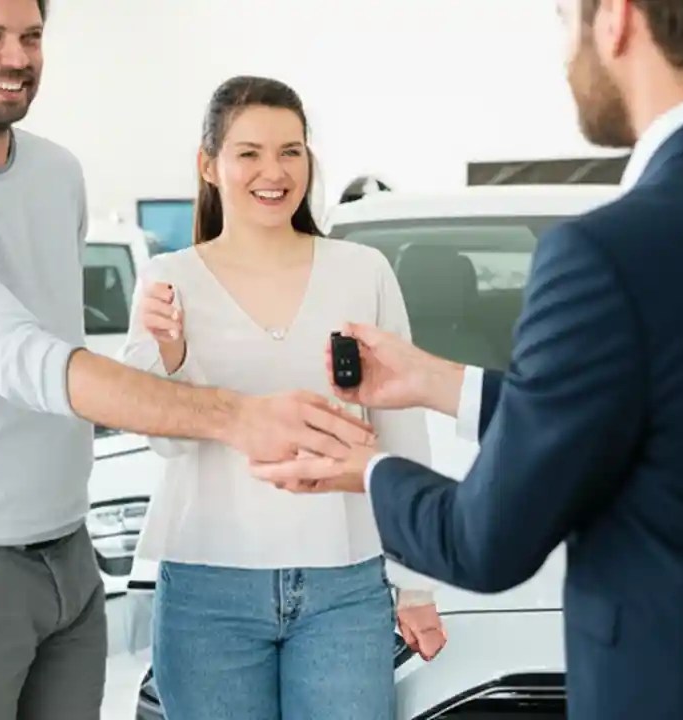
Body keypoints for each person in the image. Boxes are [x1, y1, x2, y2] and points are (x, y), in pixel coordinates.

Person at [252, 0, 683, 718]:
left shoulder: (606, 253)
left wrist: (366, 471)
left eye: (566, 19)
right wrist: (441, 383)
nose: (567, 51)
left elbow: (484, 542)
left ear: (618, 20)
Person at [0, 3, 368, 719]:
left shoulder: (57, 174)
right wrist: (236, 416)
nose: (18, 57)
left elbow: (70, 343)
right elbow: (27, 360)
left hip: (67, 550)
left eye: (31, 36)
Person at [118, 75, 447, 720]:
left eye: (291, 151)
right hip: (207, 589)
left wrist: (414, 585)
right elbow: (163, 436)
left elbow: (401, 430)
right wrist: (175, 356)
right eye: (249, 153)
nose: (274, 171)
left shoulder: (363, 273)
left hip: (344, 585)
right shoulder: (167, 280)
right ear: (208, 165)